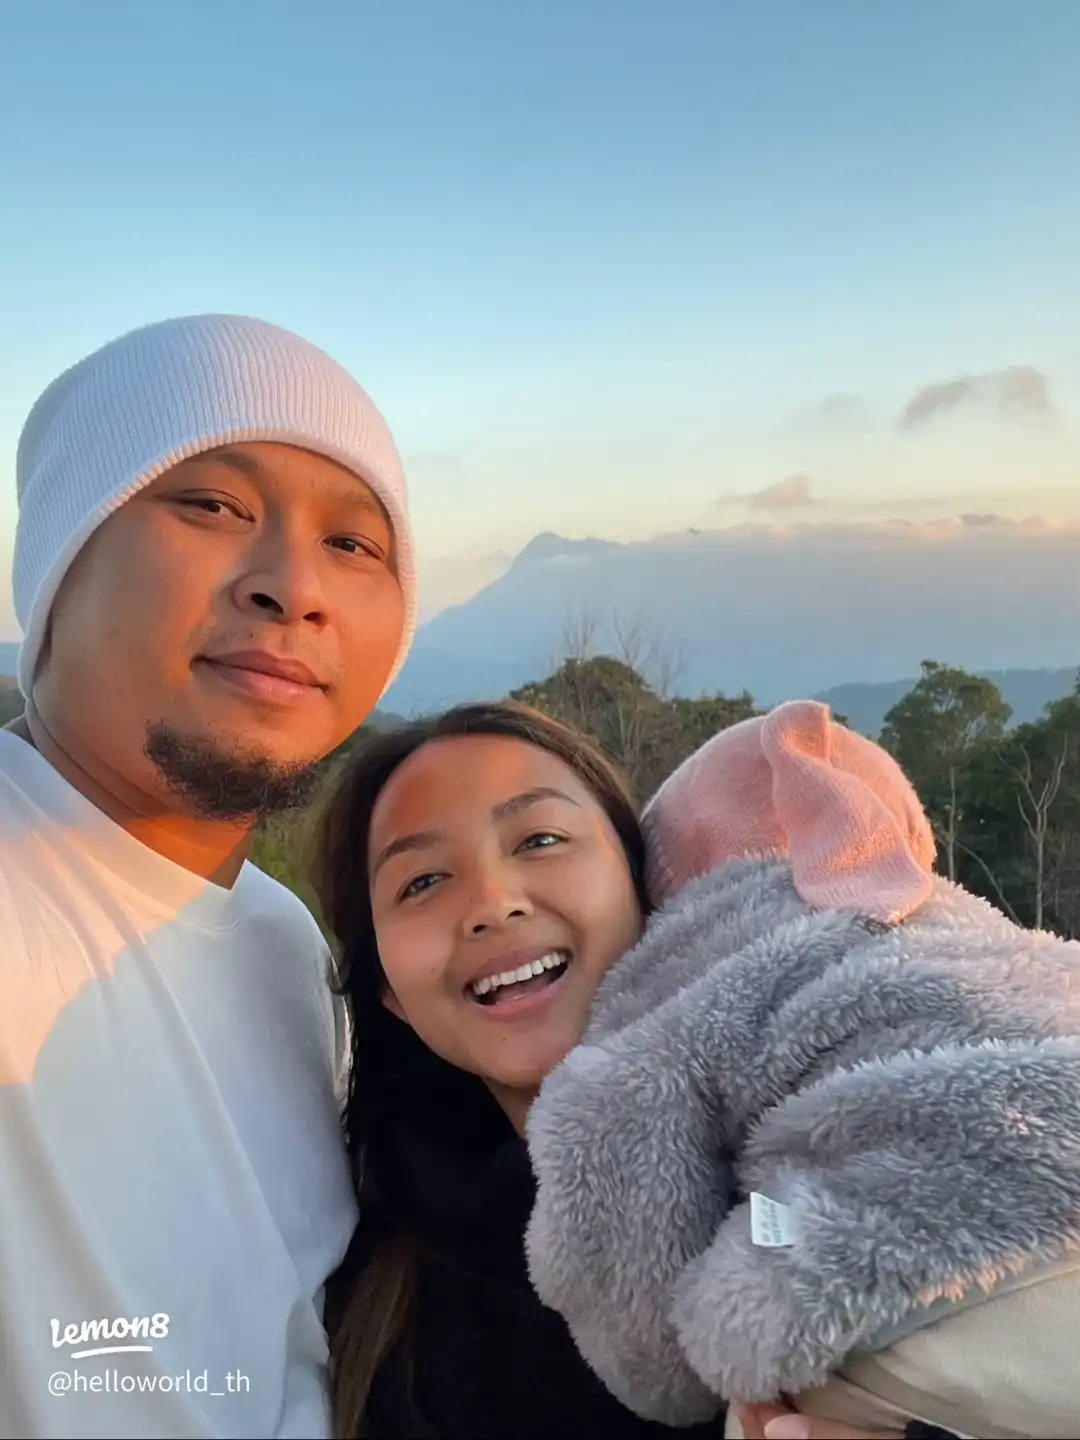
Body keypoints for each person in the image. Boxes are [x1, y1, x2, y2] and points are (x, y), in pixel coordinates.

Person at [311, 699, 948, 1440]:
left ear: (644, 886)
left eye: (540, 838)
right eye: (421, 882)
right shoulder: (380, 1305)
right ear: (389, 989)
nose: (491, 904)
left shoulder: (849, 1160)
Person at [1, 314, 416, 1439]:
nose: (294, 589)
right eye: (211, 505)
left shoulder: (289, 950)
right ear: (58, 560)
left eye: (354, 545)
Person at [528, 701, 1080, 1440]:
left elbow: (611, 1143)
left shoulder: (690, 961)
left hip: (919, 1293)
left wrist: (663, 1376)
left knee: (757, 1370)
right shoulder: (987, 933)